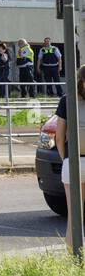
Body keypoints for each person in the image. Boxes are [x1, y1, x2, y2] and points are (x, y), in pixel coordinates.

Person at [54, 68, 85, 239]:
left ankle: (75, 260)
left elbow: (59, 138)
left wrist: (65, 159)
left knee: (74, 217)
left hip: (73, 161)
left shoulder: (67, 100)